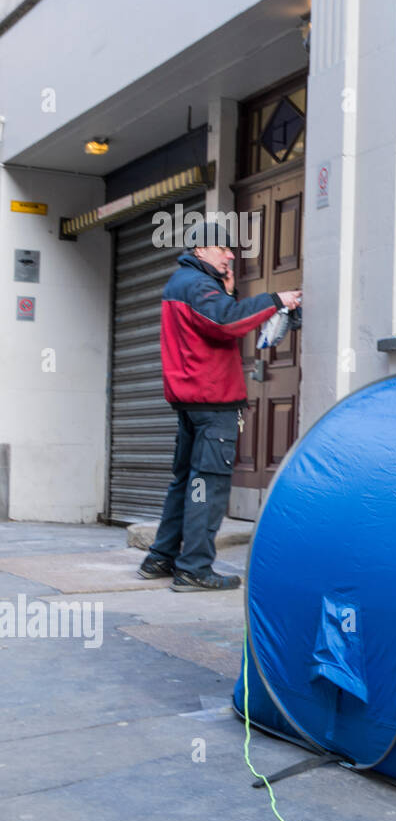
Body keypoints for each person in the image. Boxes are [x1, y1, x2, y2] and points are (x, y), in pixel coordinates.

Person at [137, 223, 302, 591]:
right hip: (212, 403)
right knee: (205, 485)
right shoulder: (197, 285)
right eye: (222, 248)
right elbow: (226, 321)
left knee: (185, 482)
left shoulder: (183, 283)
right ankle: (194, 567)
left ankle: (161, 557)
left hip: (190, 402)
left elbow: (217, 317)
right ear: (199, 250)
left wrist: (230, 292)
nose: (231, 254)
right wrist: (276, 300)